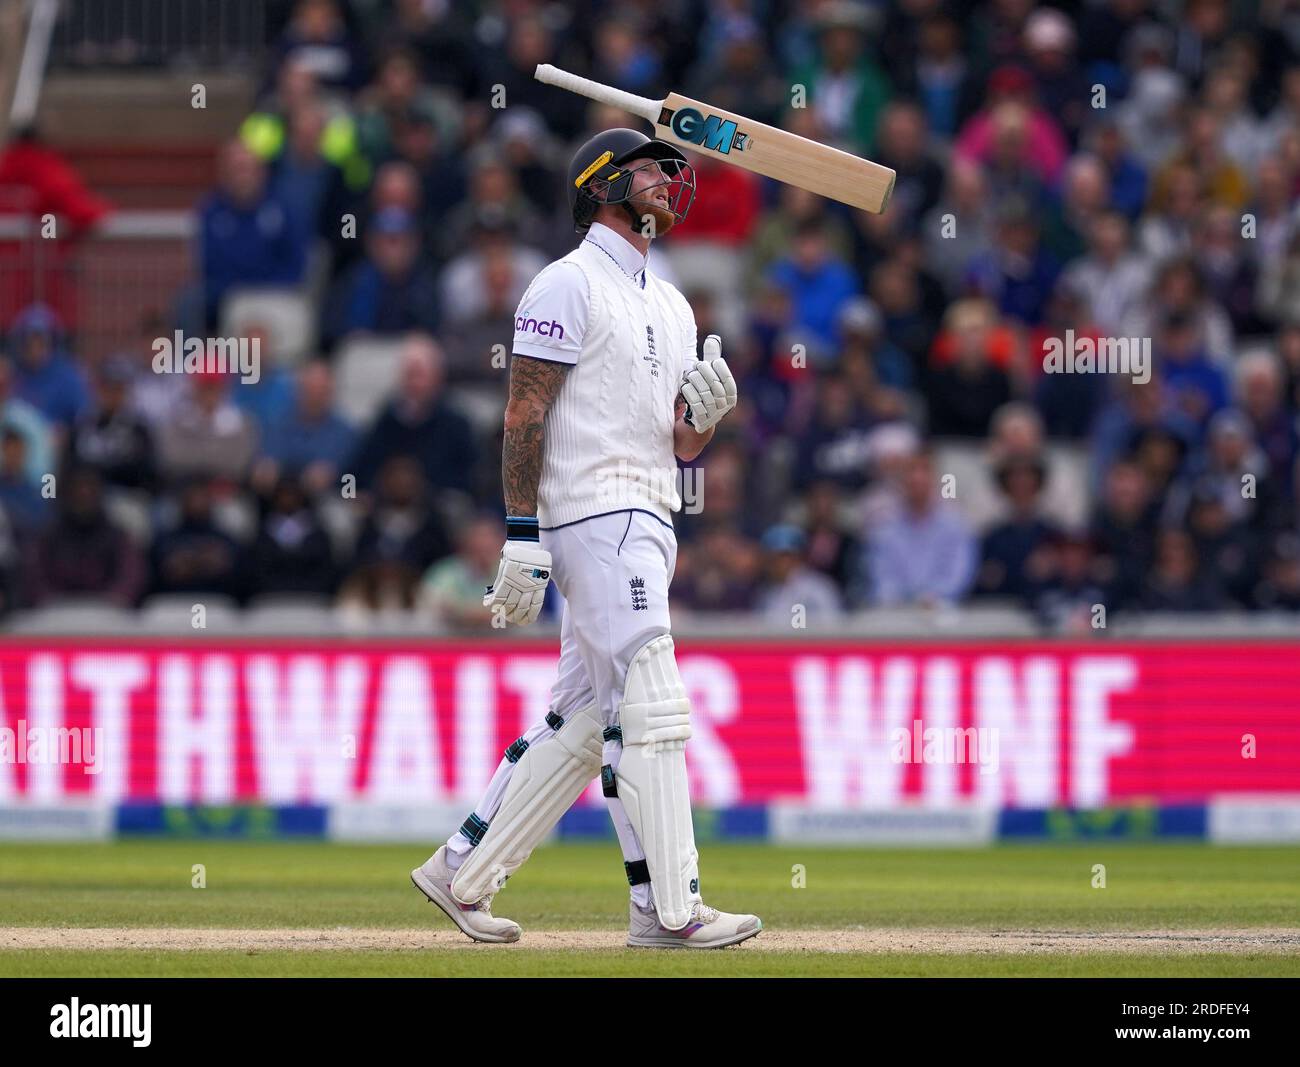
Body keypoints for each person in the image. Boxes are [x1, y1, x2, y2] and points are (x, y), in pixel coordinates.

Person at [411, 128, 761, 949]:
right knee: (651, 702)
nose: (670, 179)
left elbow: (675, 442)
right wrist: (523, 533)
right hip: (592, 514)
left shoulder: (671, 300)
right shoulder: (563, 283)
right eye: (650, 168)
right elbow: (525, 412)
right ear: (603, 184)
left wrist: (700, 422)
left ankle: (462, 871)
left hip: (651, 510)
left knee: (580, 719)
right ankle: (671, 908)